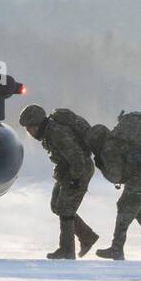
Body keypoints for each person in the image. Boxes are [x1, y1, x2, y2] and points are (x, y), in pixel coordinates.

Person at [18, 103, 100, 259]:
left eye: (29, 127)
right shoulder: (48, 132)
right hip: (67, 170)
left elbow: (76, 156)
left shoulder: (56, 132)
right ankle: (87, 237)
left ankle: (67, 250)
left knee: (65, 209)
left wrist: (75, 178)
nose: (28, 131)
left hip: (79, 169)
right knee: (56, 206)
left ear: (37, 124)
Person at [86, 119, 141, 261]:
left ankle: (116, 249)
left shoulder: (108, 148)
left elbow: (114, 176)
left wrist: (100, 163)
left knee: (125, 206)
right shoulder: (119, 139)